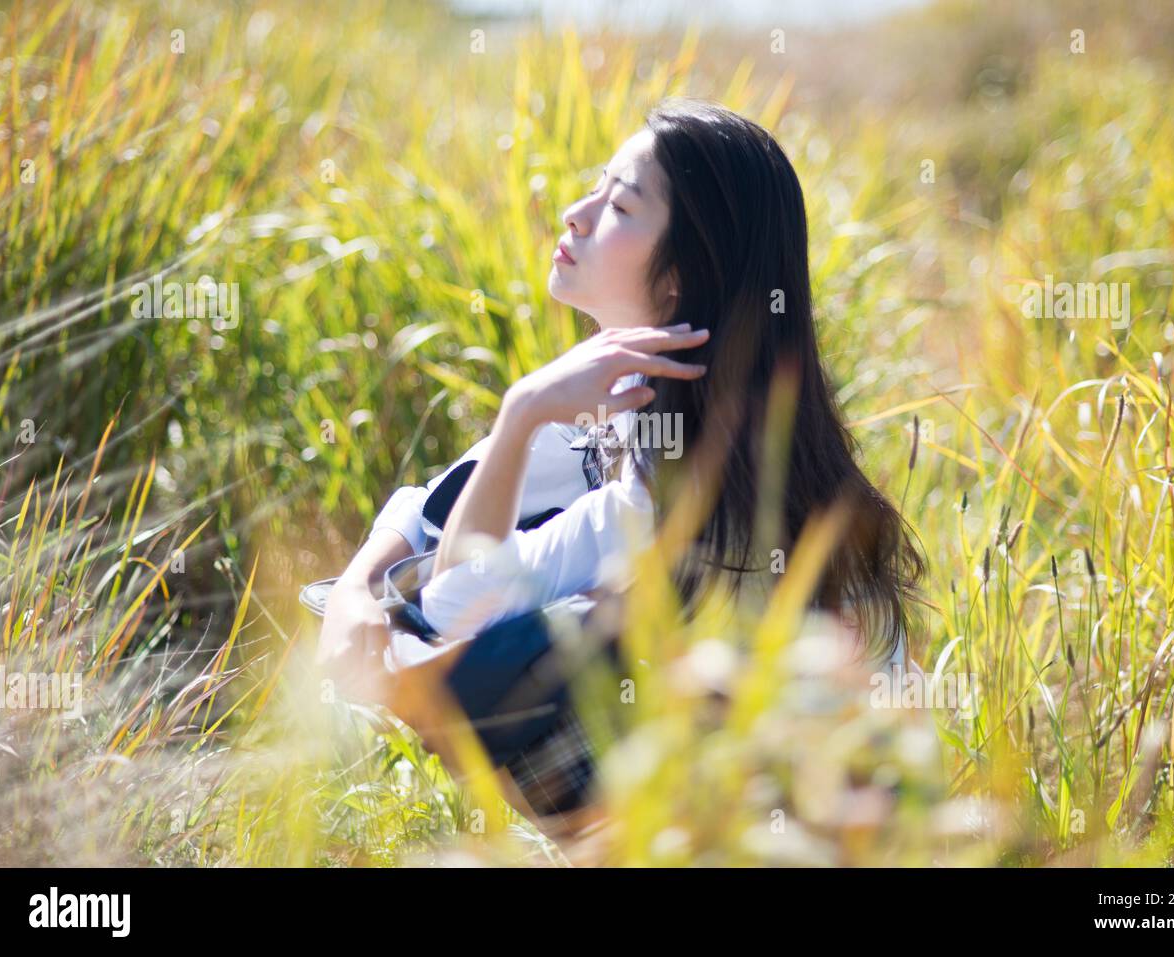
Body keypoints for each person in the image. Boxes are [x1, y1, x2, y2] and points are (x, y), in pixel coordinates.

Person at [316, 97, 926, 850]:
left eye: (620, 204)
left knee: (458, 648)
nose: (574, 212)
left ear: (678, 281)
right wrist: (354, 593)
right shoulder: (741, 455)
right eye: (597, 187)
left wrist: (522, 410)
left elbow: (446, 606)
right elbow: (427, 510)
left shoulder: (652, 501)